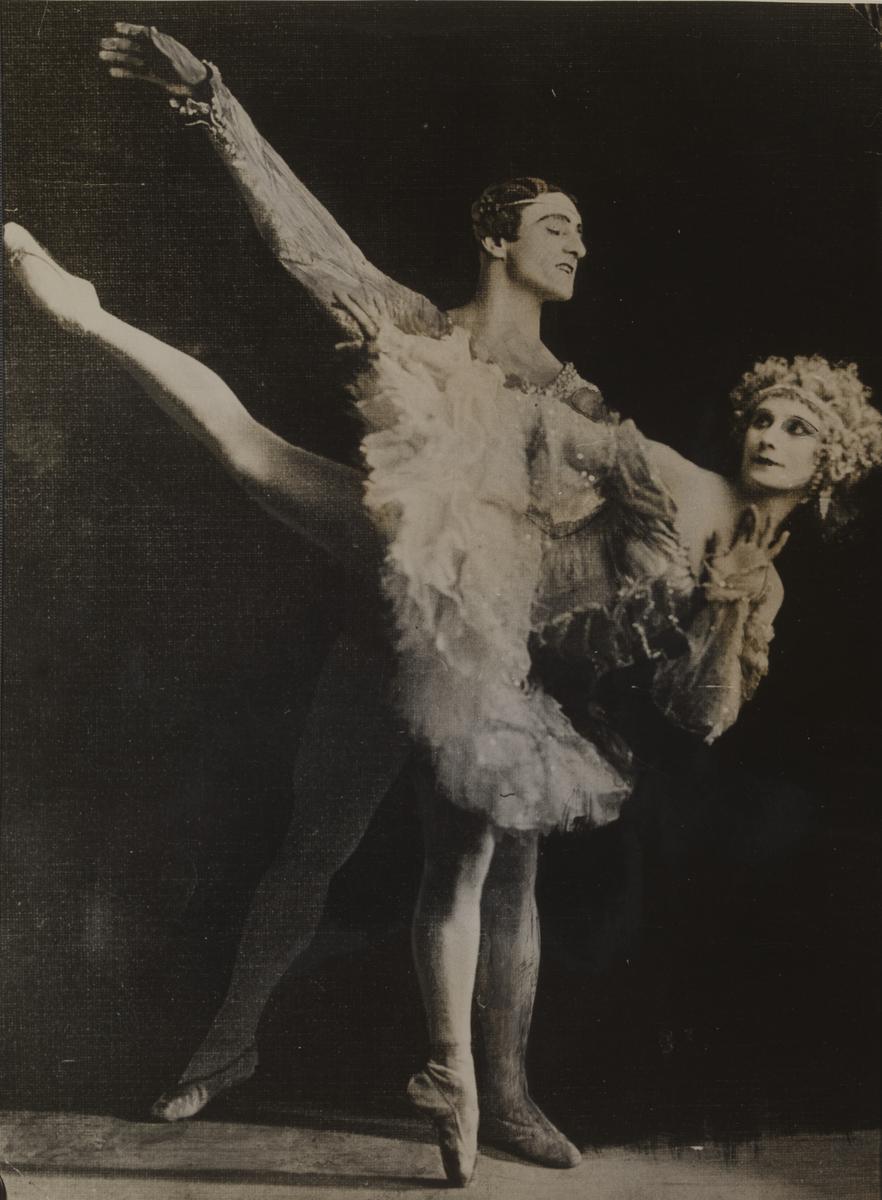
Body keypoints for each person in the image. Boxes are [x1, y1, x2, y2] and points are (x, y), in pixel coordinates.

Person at [10, 221, 880, 1184]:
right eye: (766, 417)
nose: (769, 435)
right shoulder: (680, 475)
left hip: (506, 661)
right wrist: (431, 389)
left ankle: (462, 1086)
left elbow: (701, 713)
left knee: (469, 870)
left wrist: (726, 605)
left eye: (798, 428)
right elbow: (558, 433)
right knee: (254, 457)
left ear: (831, 465)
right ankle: (88, 316)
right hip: (465, 556)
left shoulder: (766, 583)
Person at [91, 21, 614, 1172]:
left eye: (579, 227)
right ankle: (226, 1047)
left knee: (498, 872)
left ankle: (504, 1094)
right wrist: (217, 104)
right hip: (377, 645)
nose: (580, 243)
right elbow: (304, 240)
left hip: (492, 667)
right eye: (557, 225)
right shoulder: (415, 328)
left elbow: (592, 544)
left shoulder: (580, 400)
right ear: (496, 237)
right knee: (312, 848)